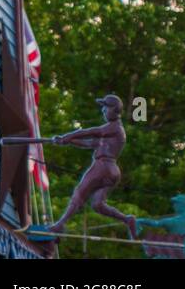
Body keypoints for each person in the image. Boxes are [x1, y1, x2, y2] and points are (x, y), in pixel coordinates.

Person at [46, 94, 136, 239]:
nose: (103, 111)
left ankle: (60, 224)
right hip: (112, 171)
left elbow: (91, 132)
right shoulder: (109, 135)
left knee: (79, 192)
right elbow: (89, 143)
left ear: (114, 110)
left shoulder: (115, 128)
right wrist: (66, 141)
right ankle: (127, 219)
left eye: (106, 108)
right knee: (98, 205)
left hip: (103, 166)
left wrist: (69, 136)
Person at [135, 194, 185, 259]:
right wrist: (140, 221)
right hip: (174, 247)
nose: (174, 206)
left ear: (183, 204)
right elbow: (156, 223)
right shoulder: (171, 220)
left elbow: (156, 223)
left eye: (176, 203)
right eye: (174, 204)